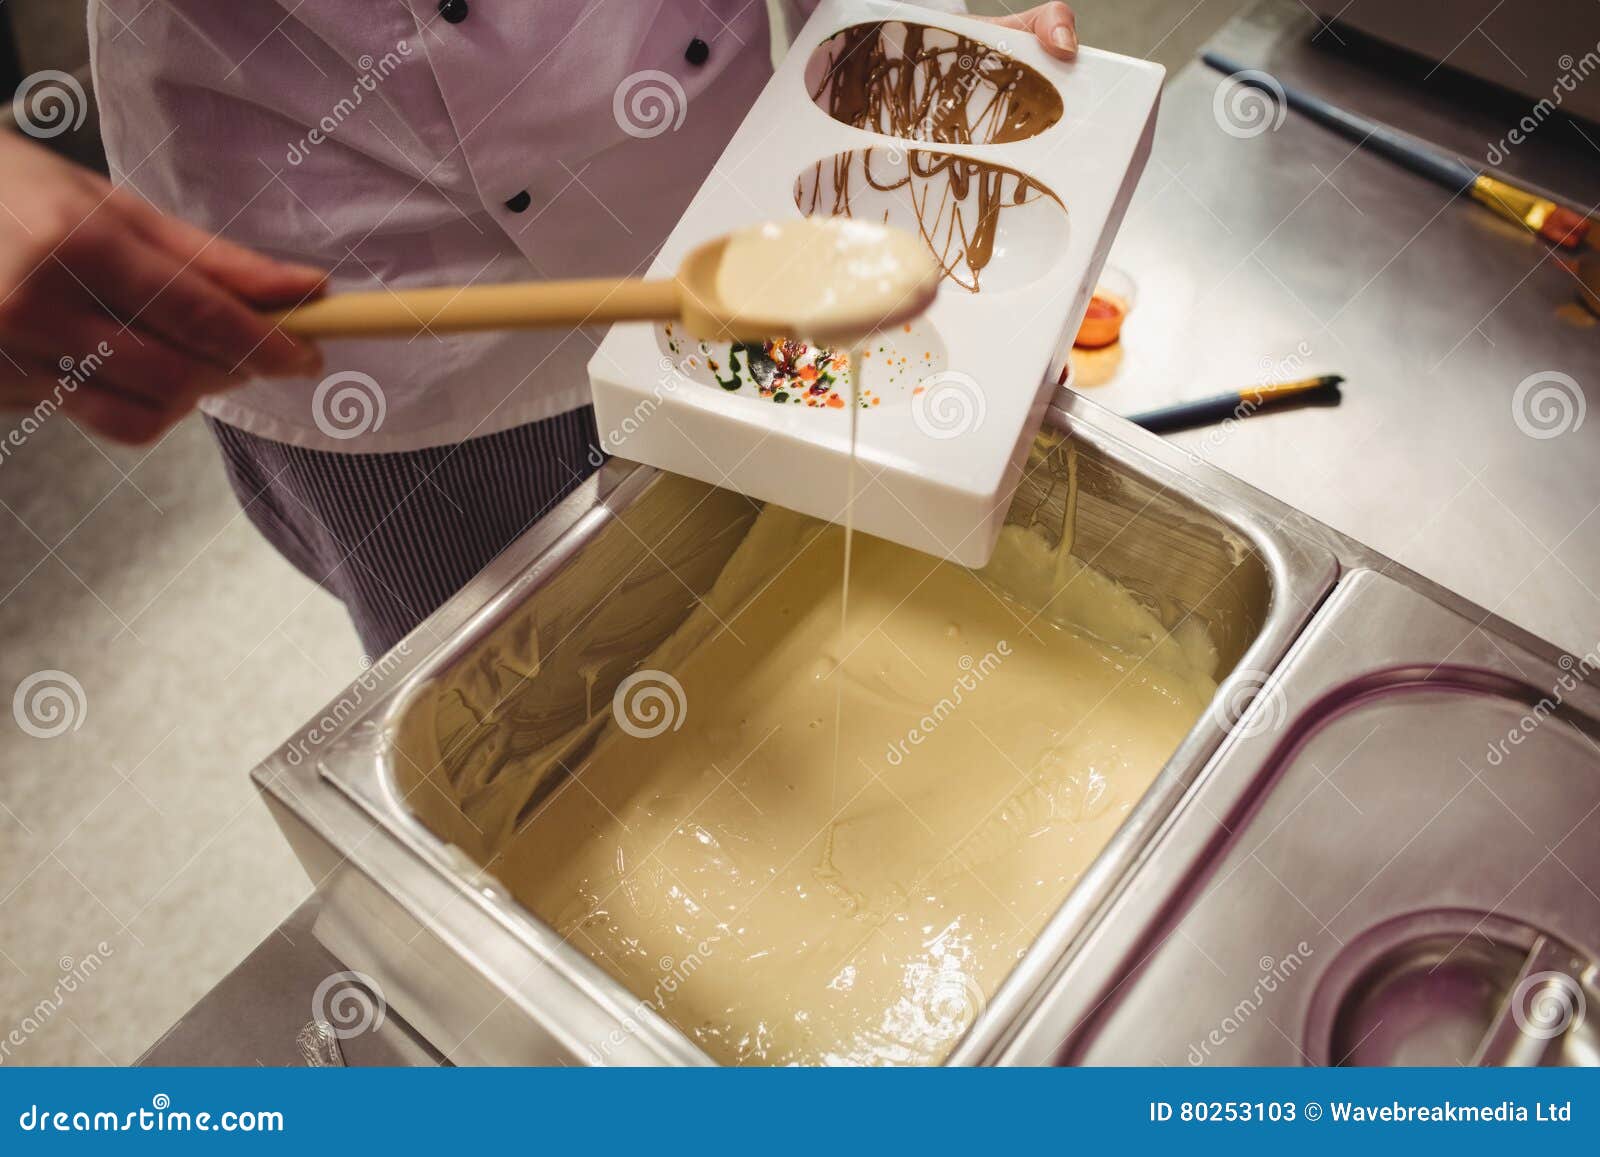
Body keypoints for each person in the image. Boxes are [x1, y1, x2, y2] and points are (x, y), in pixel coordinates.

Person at [2, 1, 1077, 656]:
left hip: (717, 182)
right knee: (530, 699)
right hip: (366, 282)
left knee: (789, 604)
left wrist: (906, 28)